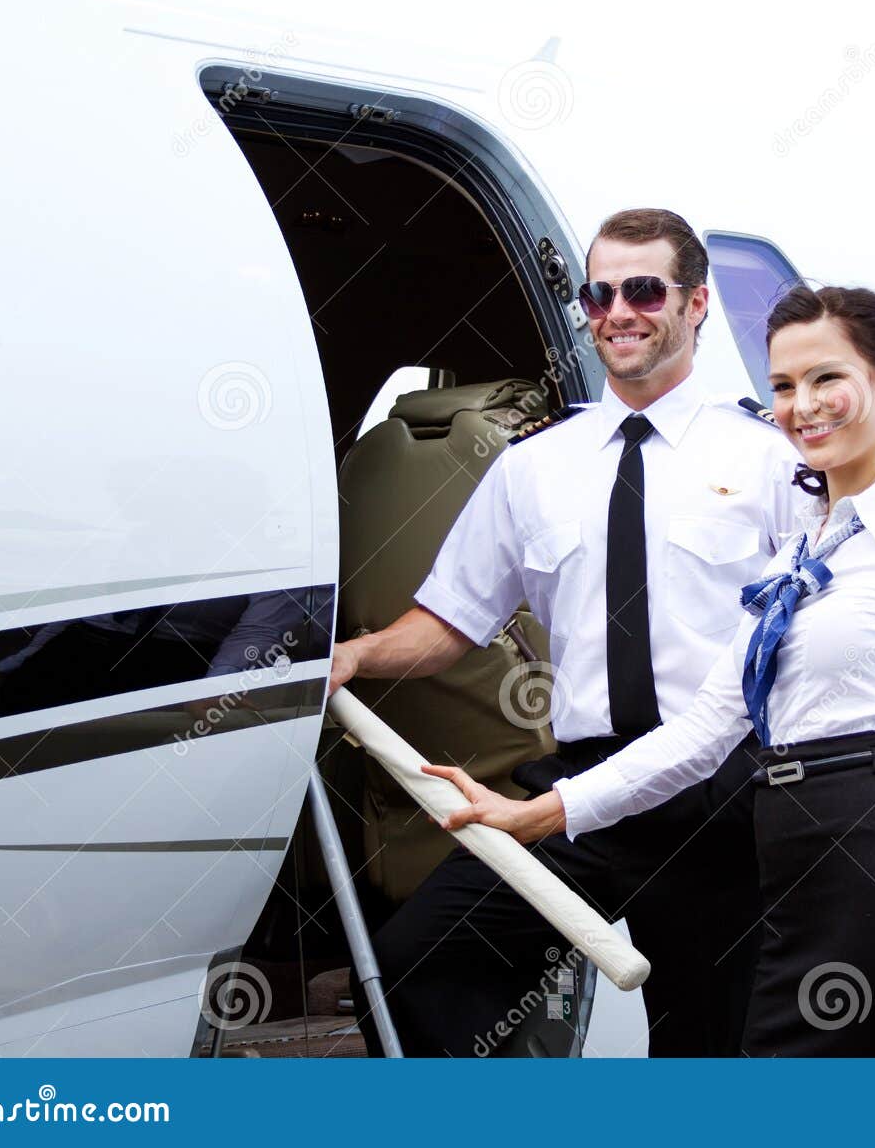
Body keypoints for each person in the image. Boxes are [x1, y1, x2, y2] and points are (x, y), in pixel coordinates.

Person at [425, 285, 875, 1057]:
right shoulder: (801, 557)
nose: (803, 406)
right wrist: (533, 814)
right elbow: (702, 733)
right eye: (784, 386)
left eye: (827, 378)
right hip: (796, 867)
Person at [331, 208, 808, 1056]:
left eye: (644, 290)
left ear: (696, 304)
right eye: (599, 292)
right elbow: (450, 618)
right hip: (583, 788)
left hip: (722, 792)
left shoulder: (769, 459)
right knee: (418, 963)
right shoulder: (533, 465)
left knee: (709, 1046)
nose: (617, 311)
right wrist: (355, 657)